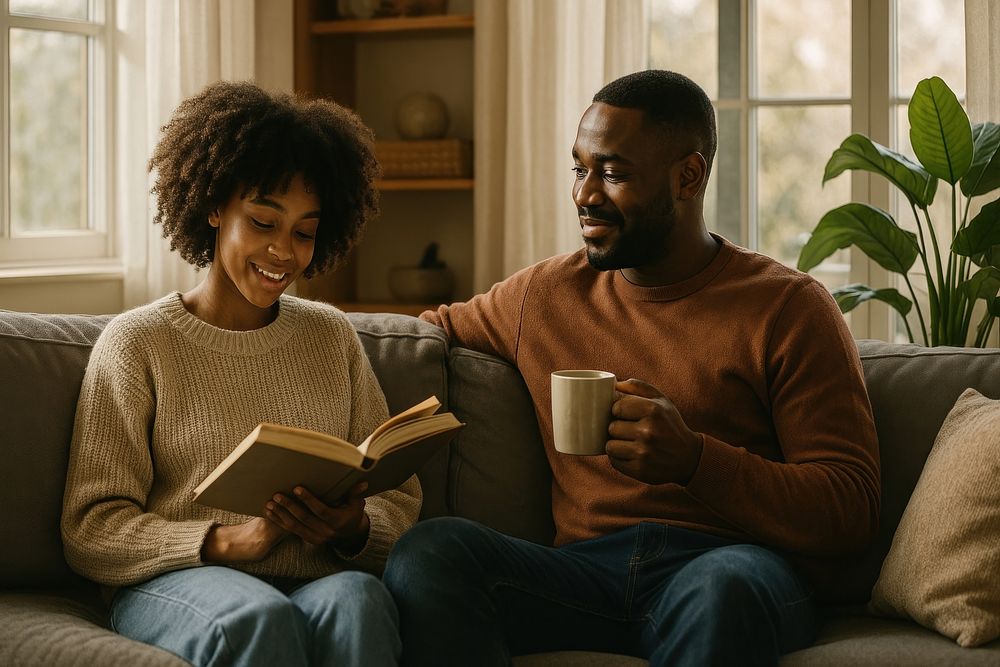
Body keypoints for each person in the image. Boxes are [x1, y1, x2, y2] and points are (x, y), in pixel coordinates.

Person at [382, 70, 880, 666]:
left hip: (729, 565)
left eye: (613, 174)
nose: (585, 195)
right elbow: (418, 336)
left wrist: (694, 460)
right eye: (579, 168)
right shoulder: (543, 295)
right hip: (584, 571)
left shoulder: (787, 308)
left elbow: (850, 509)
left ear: (688, 176)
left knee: (723, 589)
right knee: (430, 552)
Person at [61, 80, 419, 667]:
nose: (284, 252)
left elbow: (399, 501)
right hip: (182, 580)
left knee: (360, 601)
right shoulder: (138, 344)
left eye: (304, 232)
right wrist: (227, 541)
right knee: (257, 617)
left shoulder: (330, 337)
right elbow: (91, 527)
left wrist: (352, 529)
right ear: (212, 206)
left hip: (318, 575)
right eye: (263, 222)